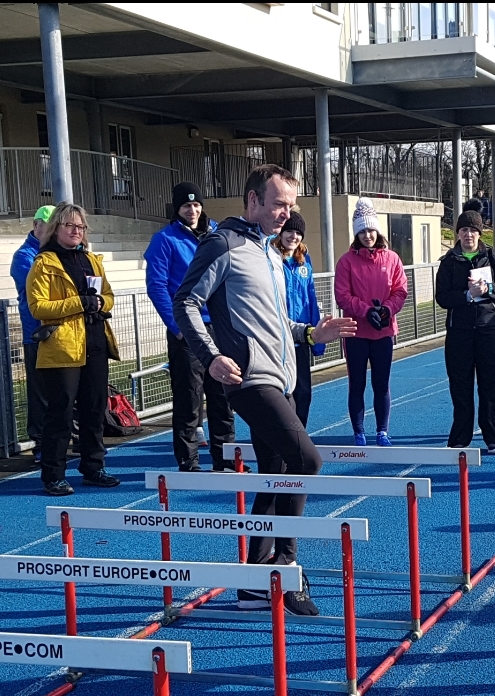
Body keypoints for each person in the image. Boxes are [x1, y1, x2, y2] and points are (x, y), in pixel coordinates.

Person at [173, 164, 356, 616]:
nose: (285, 214)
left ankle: (255, 582)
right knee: (307, 459)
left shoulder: (272, 253)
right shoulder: (223, 244)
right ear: (252, 201)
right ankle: (287, 565)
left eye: (290, 206)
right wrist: (211, 355)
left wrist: (313, 333)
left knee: (275, 474)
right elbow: (186, 302)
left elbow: (273, 322)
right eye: (278, 204)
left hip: (284, 374)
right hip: (249, 378)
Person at [27, 202, 121, 496]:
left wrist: (99, 303)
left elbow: (108, 296)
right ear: (56, 227)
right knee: (61, 412)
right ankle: (53, 474)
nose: (76, 231)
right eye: (70, 225)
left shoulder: (92, 260)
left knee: (95, 409)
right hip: (63, 346)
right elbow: (38, 307)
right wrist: (79, 303)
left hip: (94, 340)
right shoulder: (44, 263)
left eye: (80, 227)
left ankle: (94, 467)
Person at [145, 182, 237, 472]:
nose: (193, 210)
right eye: (186, 205)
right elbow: (157, 286)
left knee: (223, 396)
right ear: (177, 208)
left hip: (219, 329)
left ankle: (225, 458)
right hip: (187, 331)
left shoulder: (215, 234)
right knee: (189, 398)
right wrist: (177, 327)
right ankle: (189, 461)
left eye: (196, 204)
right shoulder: (165, 240)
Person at [435, 207, 495, 454]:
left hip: (490, 330)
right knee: (460, 385)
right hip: (459, 332)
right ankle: (460, 436)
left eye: (473, 230)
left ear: (480, 233)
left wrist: (488, 289)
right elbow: (442, 297)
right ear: (458, 233)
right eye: (464, 230)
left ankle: (492, 435)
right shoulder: (449, 262)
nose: (468, 234)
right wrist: (468, 295)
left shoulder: (493, 257)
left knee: (492, 384)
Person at [334, 198, 409, 446]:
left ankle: (382, 431)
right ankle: (358, 431)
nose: (368, 235)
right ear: (356, 233)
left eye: (371, 230)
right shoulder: (346, 261)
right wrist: (366, 311)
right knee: (357, 383)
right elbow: (342, 296)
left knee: (381, 383)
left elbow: (400, 291)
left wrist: (386, 310)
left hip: (383, 332)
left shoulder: (392, 259)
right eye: (362, 231)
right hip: (356, 331)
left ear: (378, 230)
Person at [11, 204, 56, 464]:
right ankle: (40, 443)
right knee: (40, 392)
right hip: (36, 332)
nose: (48, 231)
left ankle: (61, 437)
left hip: (59, 330)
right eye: (45, 226)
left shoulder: (53, 251)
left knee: (61, 389)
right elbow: (39, 289)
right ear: (35, 225)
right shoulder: (24, 256)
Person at [273, 211, 326, 426]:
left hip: (303, 336)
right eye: (289, 231)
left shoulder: (305, 260)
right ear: (280, 233)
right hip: (278, 338)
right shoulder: (272, 258)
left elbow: (311, 298)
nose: (293, 236)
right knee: (283, 393)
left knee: (304, 391)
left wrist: (317, 337)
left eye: (298, 233)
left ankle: (298, 434)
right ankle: (282, 436)